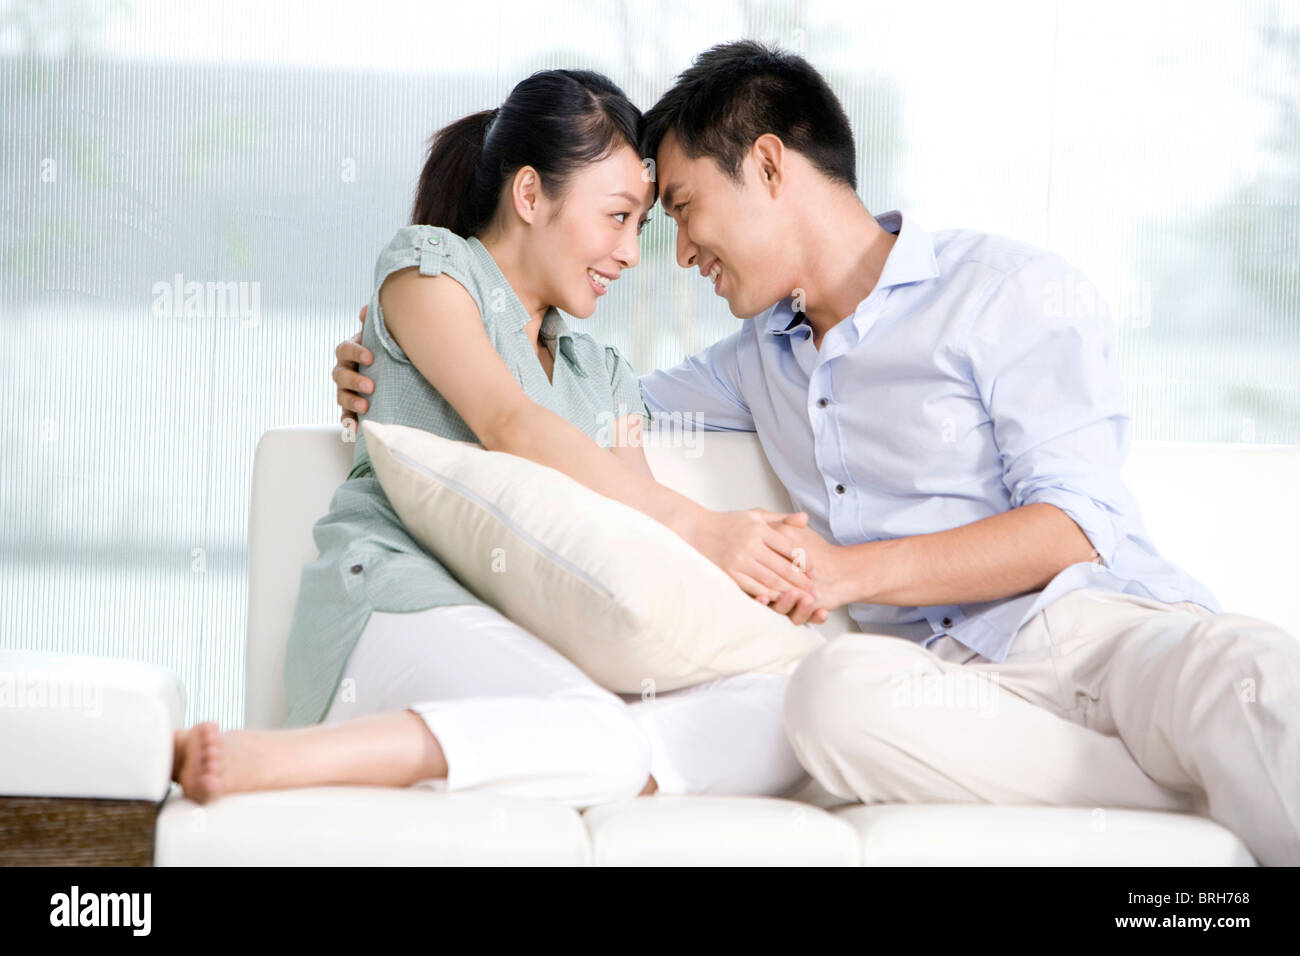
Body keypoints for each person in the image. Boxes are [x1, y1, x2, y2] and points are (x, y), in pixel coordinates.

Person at [337, 41, 1300, 865]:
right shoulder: (753, 361)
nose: (676, 256)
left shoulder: (1007, 290)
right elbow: (558, 409)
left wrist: (845, 574)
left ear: (767, 165)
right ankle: (1198, 801)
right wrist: (399, 360)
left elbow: (1073, 525)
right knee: (827, 697)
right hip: (946, 696)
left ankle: (1215, 762)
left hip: (1097, 629)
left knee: (1242, 675)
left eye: (679, 208)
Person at [172, 68, 828, 810]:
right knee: (602, 734)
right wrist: (707, 529)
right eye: (616, 217)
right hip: (398, 605)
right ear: (528, 196)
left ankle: (578, 760)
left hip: (530, 650)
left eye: (638, 227)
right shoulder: (429, 271)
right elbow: (510, 422)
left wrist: (765, 584)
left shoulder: (602, 375)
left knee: (801, 705)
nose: (629, 254)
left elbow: (629, 539)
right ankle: (285, 758)